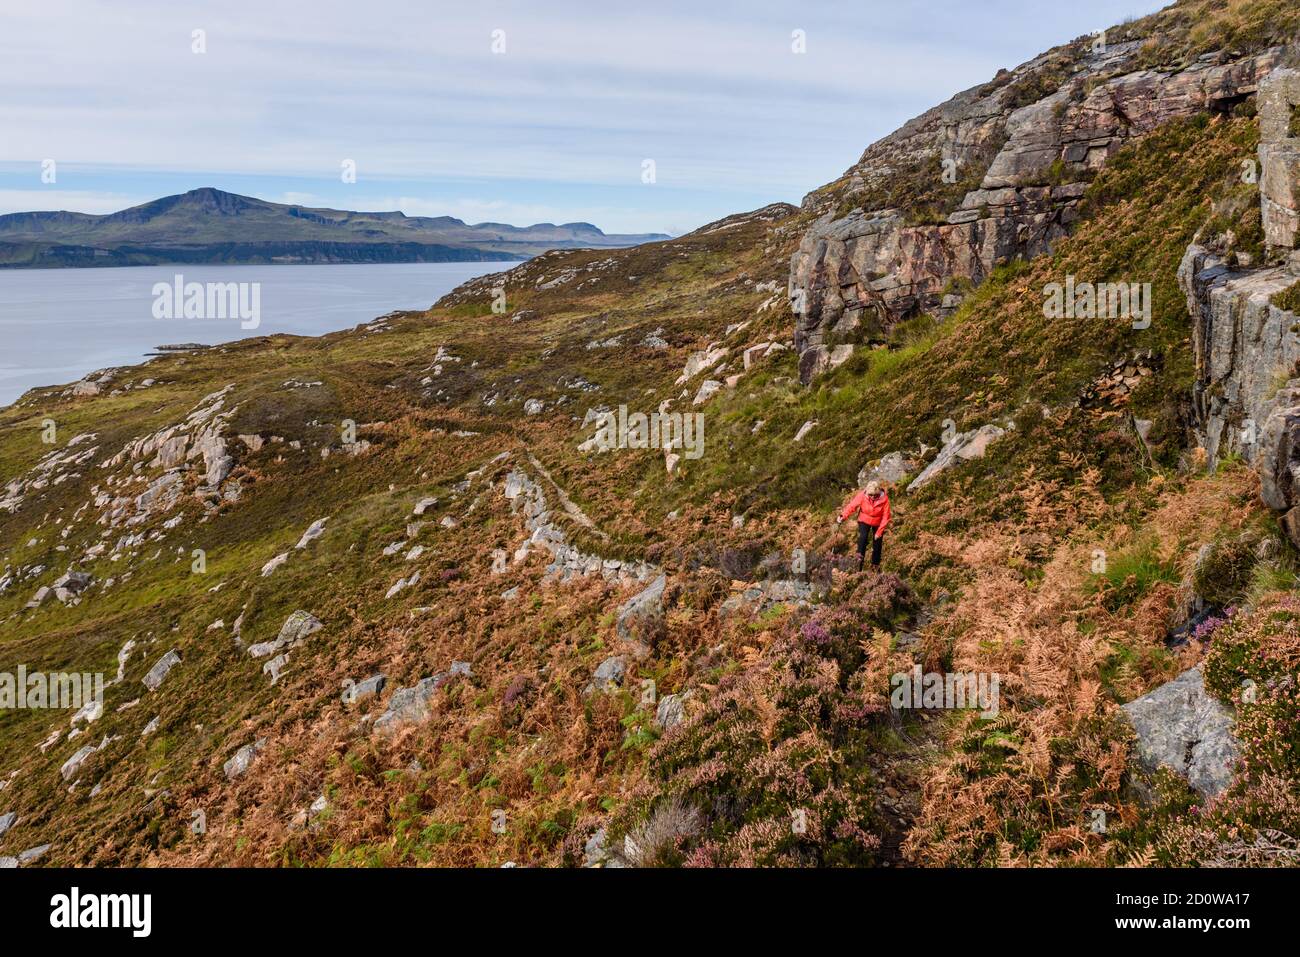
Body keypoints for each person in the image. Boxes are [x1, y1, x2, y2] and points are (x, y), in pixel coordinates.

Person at [836, 480, 891, 571]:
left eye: (875, 495)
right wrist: (843, 516)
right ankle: (858, 566)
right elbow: (851, 506)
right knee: (862, 540)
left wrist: (879, 532)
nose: (873, 497)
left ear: (878, 492)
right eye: (871, 495)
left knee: (877, 543)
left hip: (878, 522)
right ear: (867, 492)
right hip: (864, 520)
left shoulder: (884, 499)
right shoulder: (862, 495)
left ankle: (875, 567)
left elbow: (886, 517)